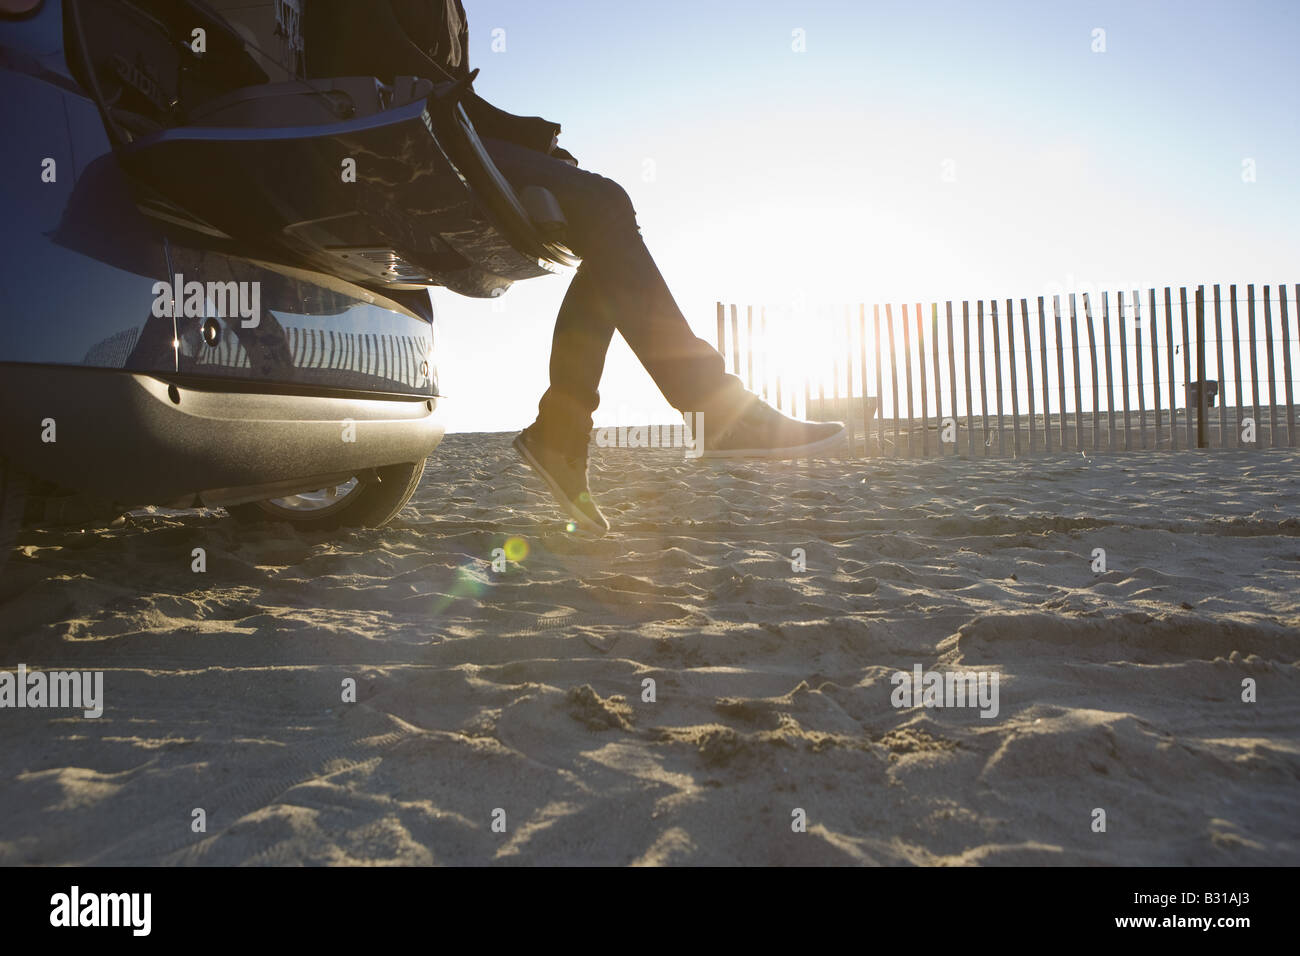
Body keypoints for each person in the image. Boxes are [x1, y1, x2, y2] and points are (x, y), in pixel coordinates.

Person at [306, 1, 845, 533]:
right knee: (606, 207)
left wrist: (525, 138)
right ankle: (711, 411)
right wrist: (519, 134)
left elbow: (443, 92)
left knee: (605, 231)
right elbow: (366, 59)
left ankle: (565, 432)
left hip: (431, 136)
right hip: (379, 143)